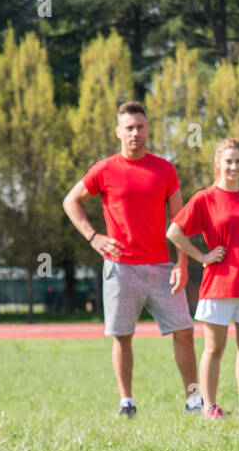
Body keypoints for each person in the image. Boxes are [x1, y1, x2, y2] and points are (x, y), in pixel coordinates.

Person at [62, 101, 203, 418]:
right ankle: (127, 401)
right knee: (122, 336)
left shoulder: (165, 169)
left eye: (140, 127)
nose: (135, 133)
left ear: (147, 130)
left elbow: (179, 220)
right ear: (118, 132)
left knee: (184, 331)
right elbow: (70, 200)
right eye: (129, 127)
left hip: (162, 268)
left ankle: (194, 398)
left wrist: (182, 263)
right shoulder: (104, 169)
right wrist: (93, 237)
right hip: (121, 268)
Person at [167, 138, 239, 419]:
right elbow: (175, 232)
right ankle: (209, 406)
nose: (233, 166)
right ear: (218, 163)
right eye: (228, 161)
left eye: (238, 161)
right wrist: (202, 257)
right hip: (217, 286)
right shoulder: (205, 199)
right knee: (214, 349)